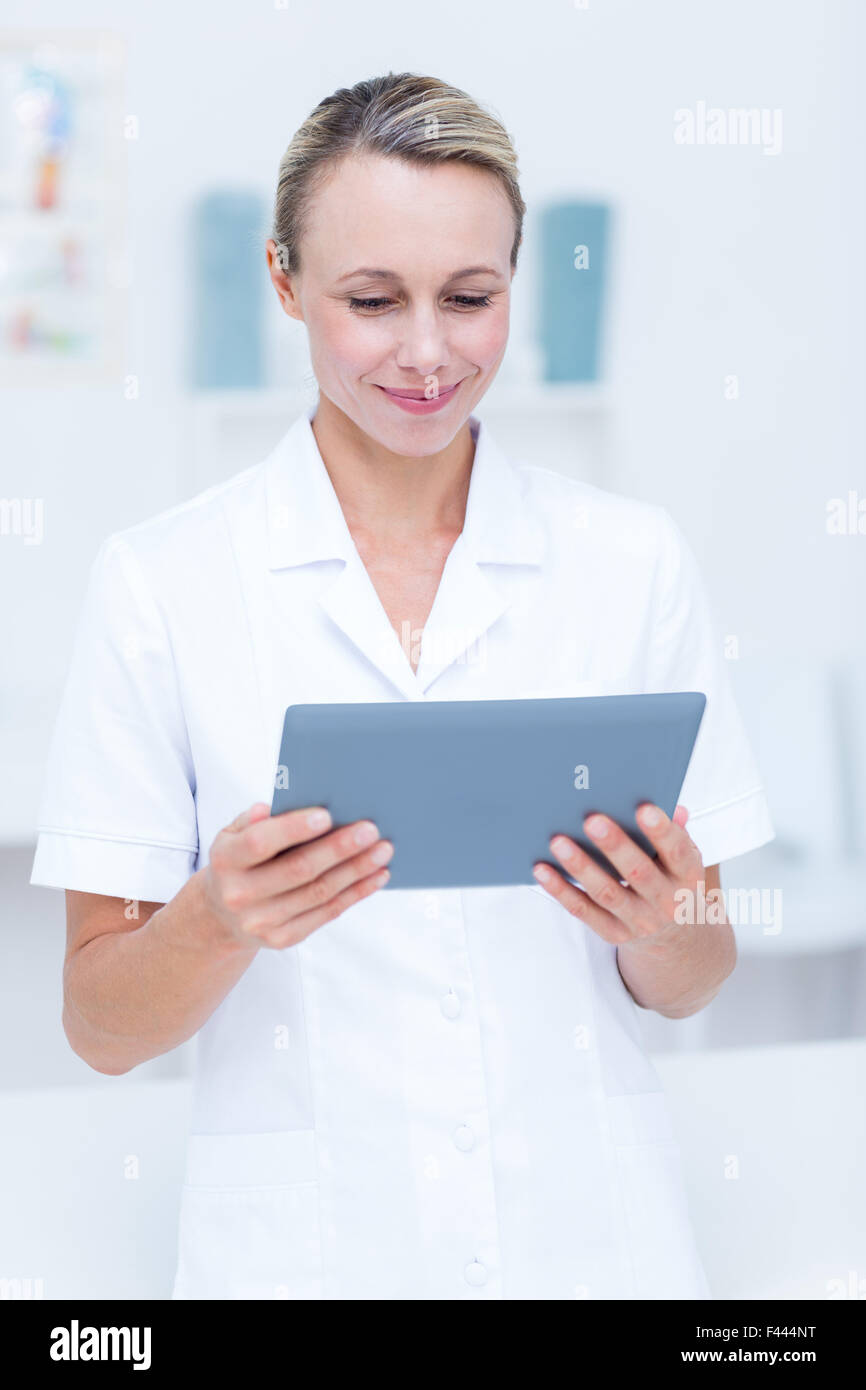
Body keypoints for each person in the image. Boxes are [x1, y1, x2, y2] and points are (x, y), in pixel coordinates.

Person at [30, 71, 774, 1300]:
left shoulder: (628, 561)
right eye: (370, 300)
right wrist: (215, 920)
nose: (426, 354)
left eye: (469, 297)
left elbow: (696, 975)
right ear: (282, 281)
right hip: (306, 1256)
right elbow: (99, 1028)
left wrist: (664, 921)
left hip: (593, 1245)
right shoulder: (160, 584)